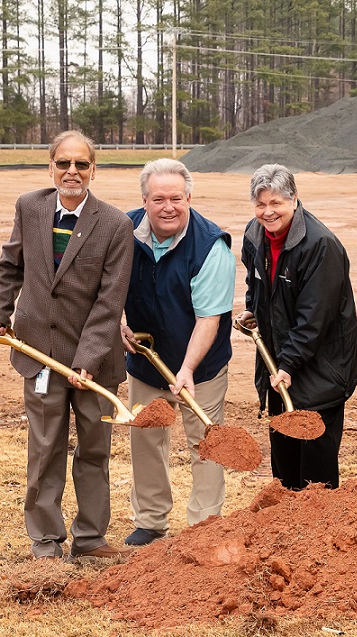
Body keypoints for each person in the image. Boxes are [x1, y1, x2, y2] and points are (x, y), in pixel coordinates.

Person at [0, 131, 133, 559]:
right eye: (63, 163)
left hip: (95, 363)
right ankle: (45, 540)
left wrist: (87, 360)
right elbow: (10, 267)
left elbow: (110, 302)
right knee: (45, 448)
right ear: (50, 167)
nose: (72, 171)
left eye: (81, 164)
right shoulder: (29, 208)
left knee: (93, 450)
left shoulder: (115, 224)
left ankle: (89, 539)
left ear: (93, 171)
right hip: (39, 356)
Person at [120, 158, 236, 546]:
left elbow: (208, 319)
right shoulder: (124, 231)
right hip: (146, 361)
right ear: (144, 200)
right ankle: (150, 522)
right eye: (158, 199)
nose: (167, 207)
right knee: (147, 439)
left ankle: (204, 527)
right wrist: (117, 319)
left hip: (200, 366)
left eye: (176, 198)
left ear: (189, 197)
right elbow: (104, 284)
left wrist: (186, 369)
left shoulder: (210, 246)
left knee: (206, 442)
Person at [238, 164, 357, 491]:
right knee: (285, 463)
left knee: (316, 472)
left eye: (276, 203)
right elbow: (256, 284)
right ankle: (286, 531)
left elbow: (314, 319)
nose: (268, 212)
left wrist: (288, 364)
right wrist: (253, 311)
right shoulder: (254, 235)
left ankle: (320, 535)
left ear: (294, 200)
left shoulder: (321, 246)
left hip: (322, 370)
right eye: (261, 204)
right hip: (280, 366)